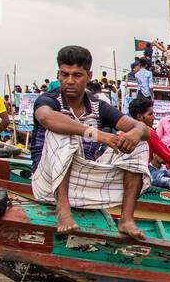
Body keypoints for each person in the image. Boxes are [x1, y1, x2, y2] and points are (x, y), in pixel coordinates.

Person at [30, 45, 150, 239]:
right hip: (49, 184)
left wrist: (135, 133)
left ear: (89, 76)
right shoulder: (49, 100)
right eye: (64, 74)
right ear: (58, 75)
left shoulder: (98, 105)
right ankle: (63, 211)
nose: (69, 81)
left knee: (140, 142)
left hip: (85, 185)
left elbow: (142, 128)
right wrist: (98, 135)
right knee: (61, 131)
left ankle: (126, 219)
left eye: (77, 75)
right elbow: (46, 118)